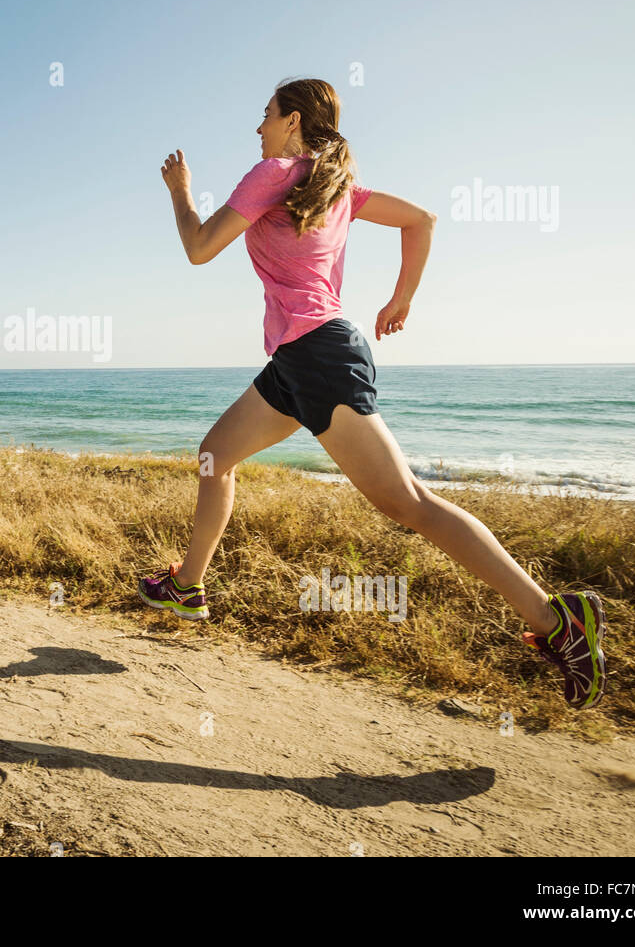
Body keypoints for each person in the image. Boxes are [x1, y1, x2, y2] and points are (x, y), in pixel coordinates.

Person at [138, 77, 605, 709]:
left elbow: (198, 249)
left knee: (410, 503)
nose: (258, 128)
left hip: (319, 359)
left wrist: (181, 193)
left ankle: (559, 623)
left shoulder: (273, 172)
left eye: (266, 115)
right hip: (298, 360)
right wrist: (401, 298)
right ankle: (188, 584)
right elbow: (422, 220)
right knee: (215, 455)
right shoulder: (333, 186)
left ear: (294, 121)